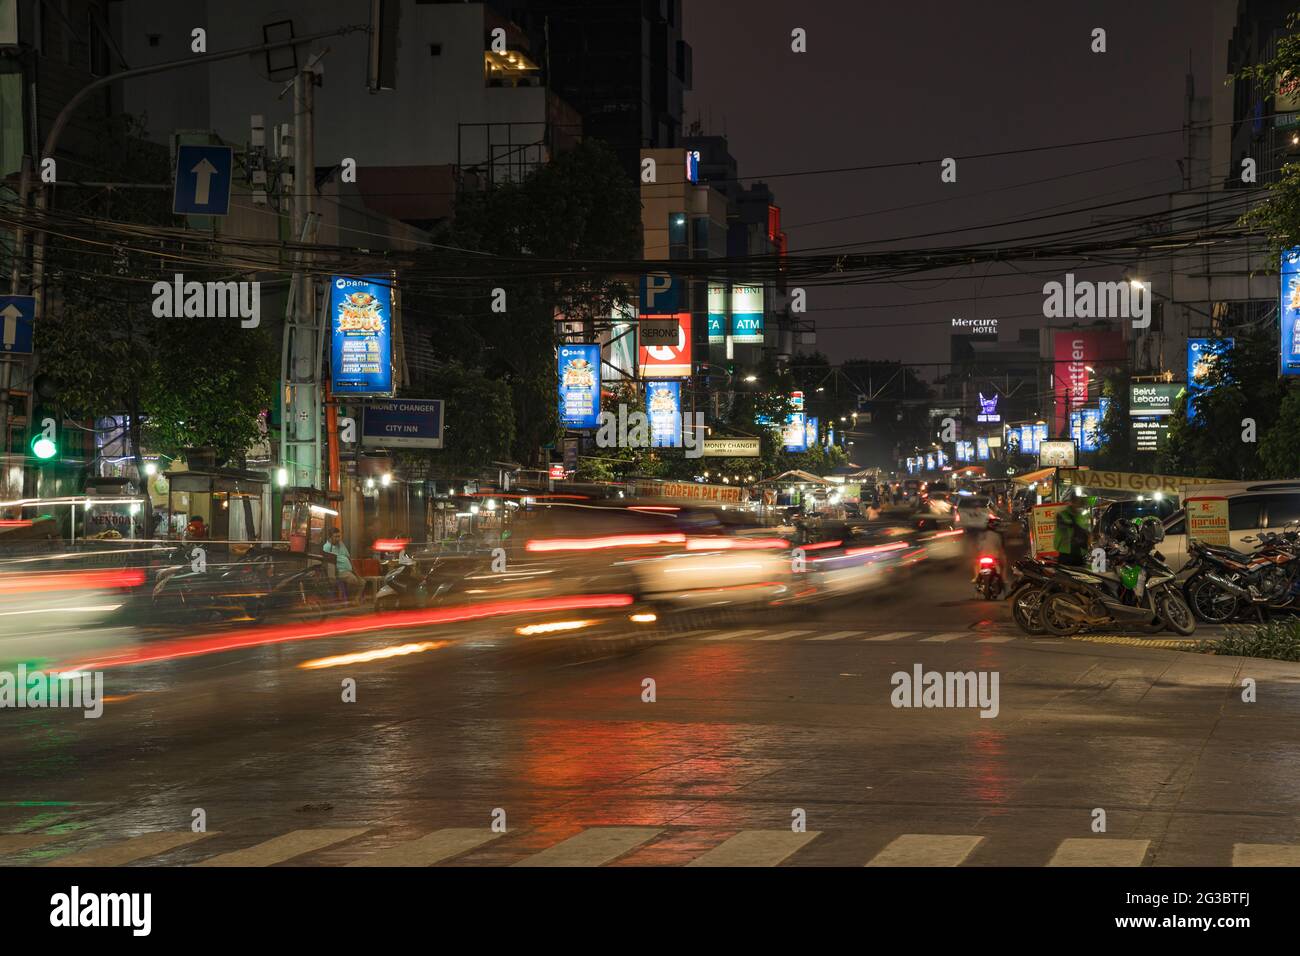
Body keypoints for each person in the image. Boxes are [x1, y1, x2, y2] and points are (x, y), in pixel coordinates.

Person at [323, 527, 364, 604]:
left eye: (339, 536)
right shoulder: (327, 547)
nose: (338, 538)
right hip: (339, 571)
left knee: (362, 582)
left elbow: (348, 558)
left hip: (348, 571)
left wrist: (356, 572)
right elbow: (328, 563)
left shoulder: (341, 544)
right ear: (330, 537)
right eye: (336, 537)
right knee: (353, 581)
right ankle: (350, 600)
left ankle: (355, 600)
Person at [1054, 498, 1090, 566]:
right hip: (1066, 552)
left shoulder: (1082, 515)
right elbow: (1062, 530)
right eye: (1077, 503)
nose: (1078, 505)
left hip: (1079, 552)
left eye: (1080, 504)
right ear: (1072, 502)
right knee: (1064, 574)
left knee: (1079, 575)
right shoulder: (1063, 514)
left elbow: (1086, 530)